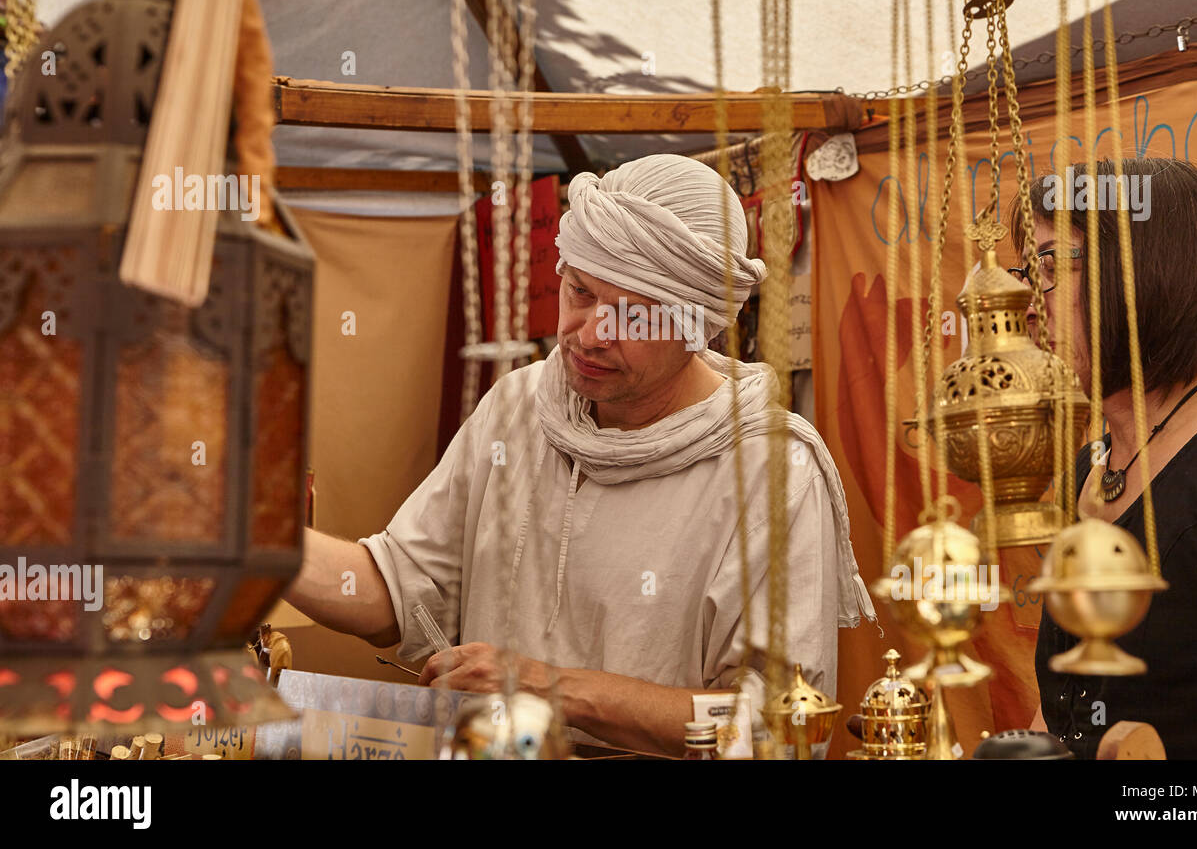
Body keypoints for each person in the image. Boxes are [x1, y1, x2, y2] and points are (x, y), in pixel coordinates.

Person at [285, 153, 874, 757]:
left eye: (634, 315)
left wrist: (554, 690)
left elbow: (778, 725)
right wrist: (258, 543)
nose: (591, 333)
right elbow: (398, 589)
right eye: (582, 292)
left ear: (698, 325)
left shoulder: (773, 471)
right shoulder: (520, 406)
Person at [1010, 155, 1197, 759]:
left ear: (1145, 271)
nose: (1028, 301)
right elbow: (1065, 706)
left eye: (1052, 264)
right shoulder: (1091, 468)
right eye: (1027, 270)